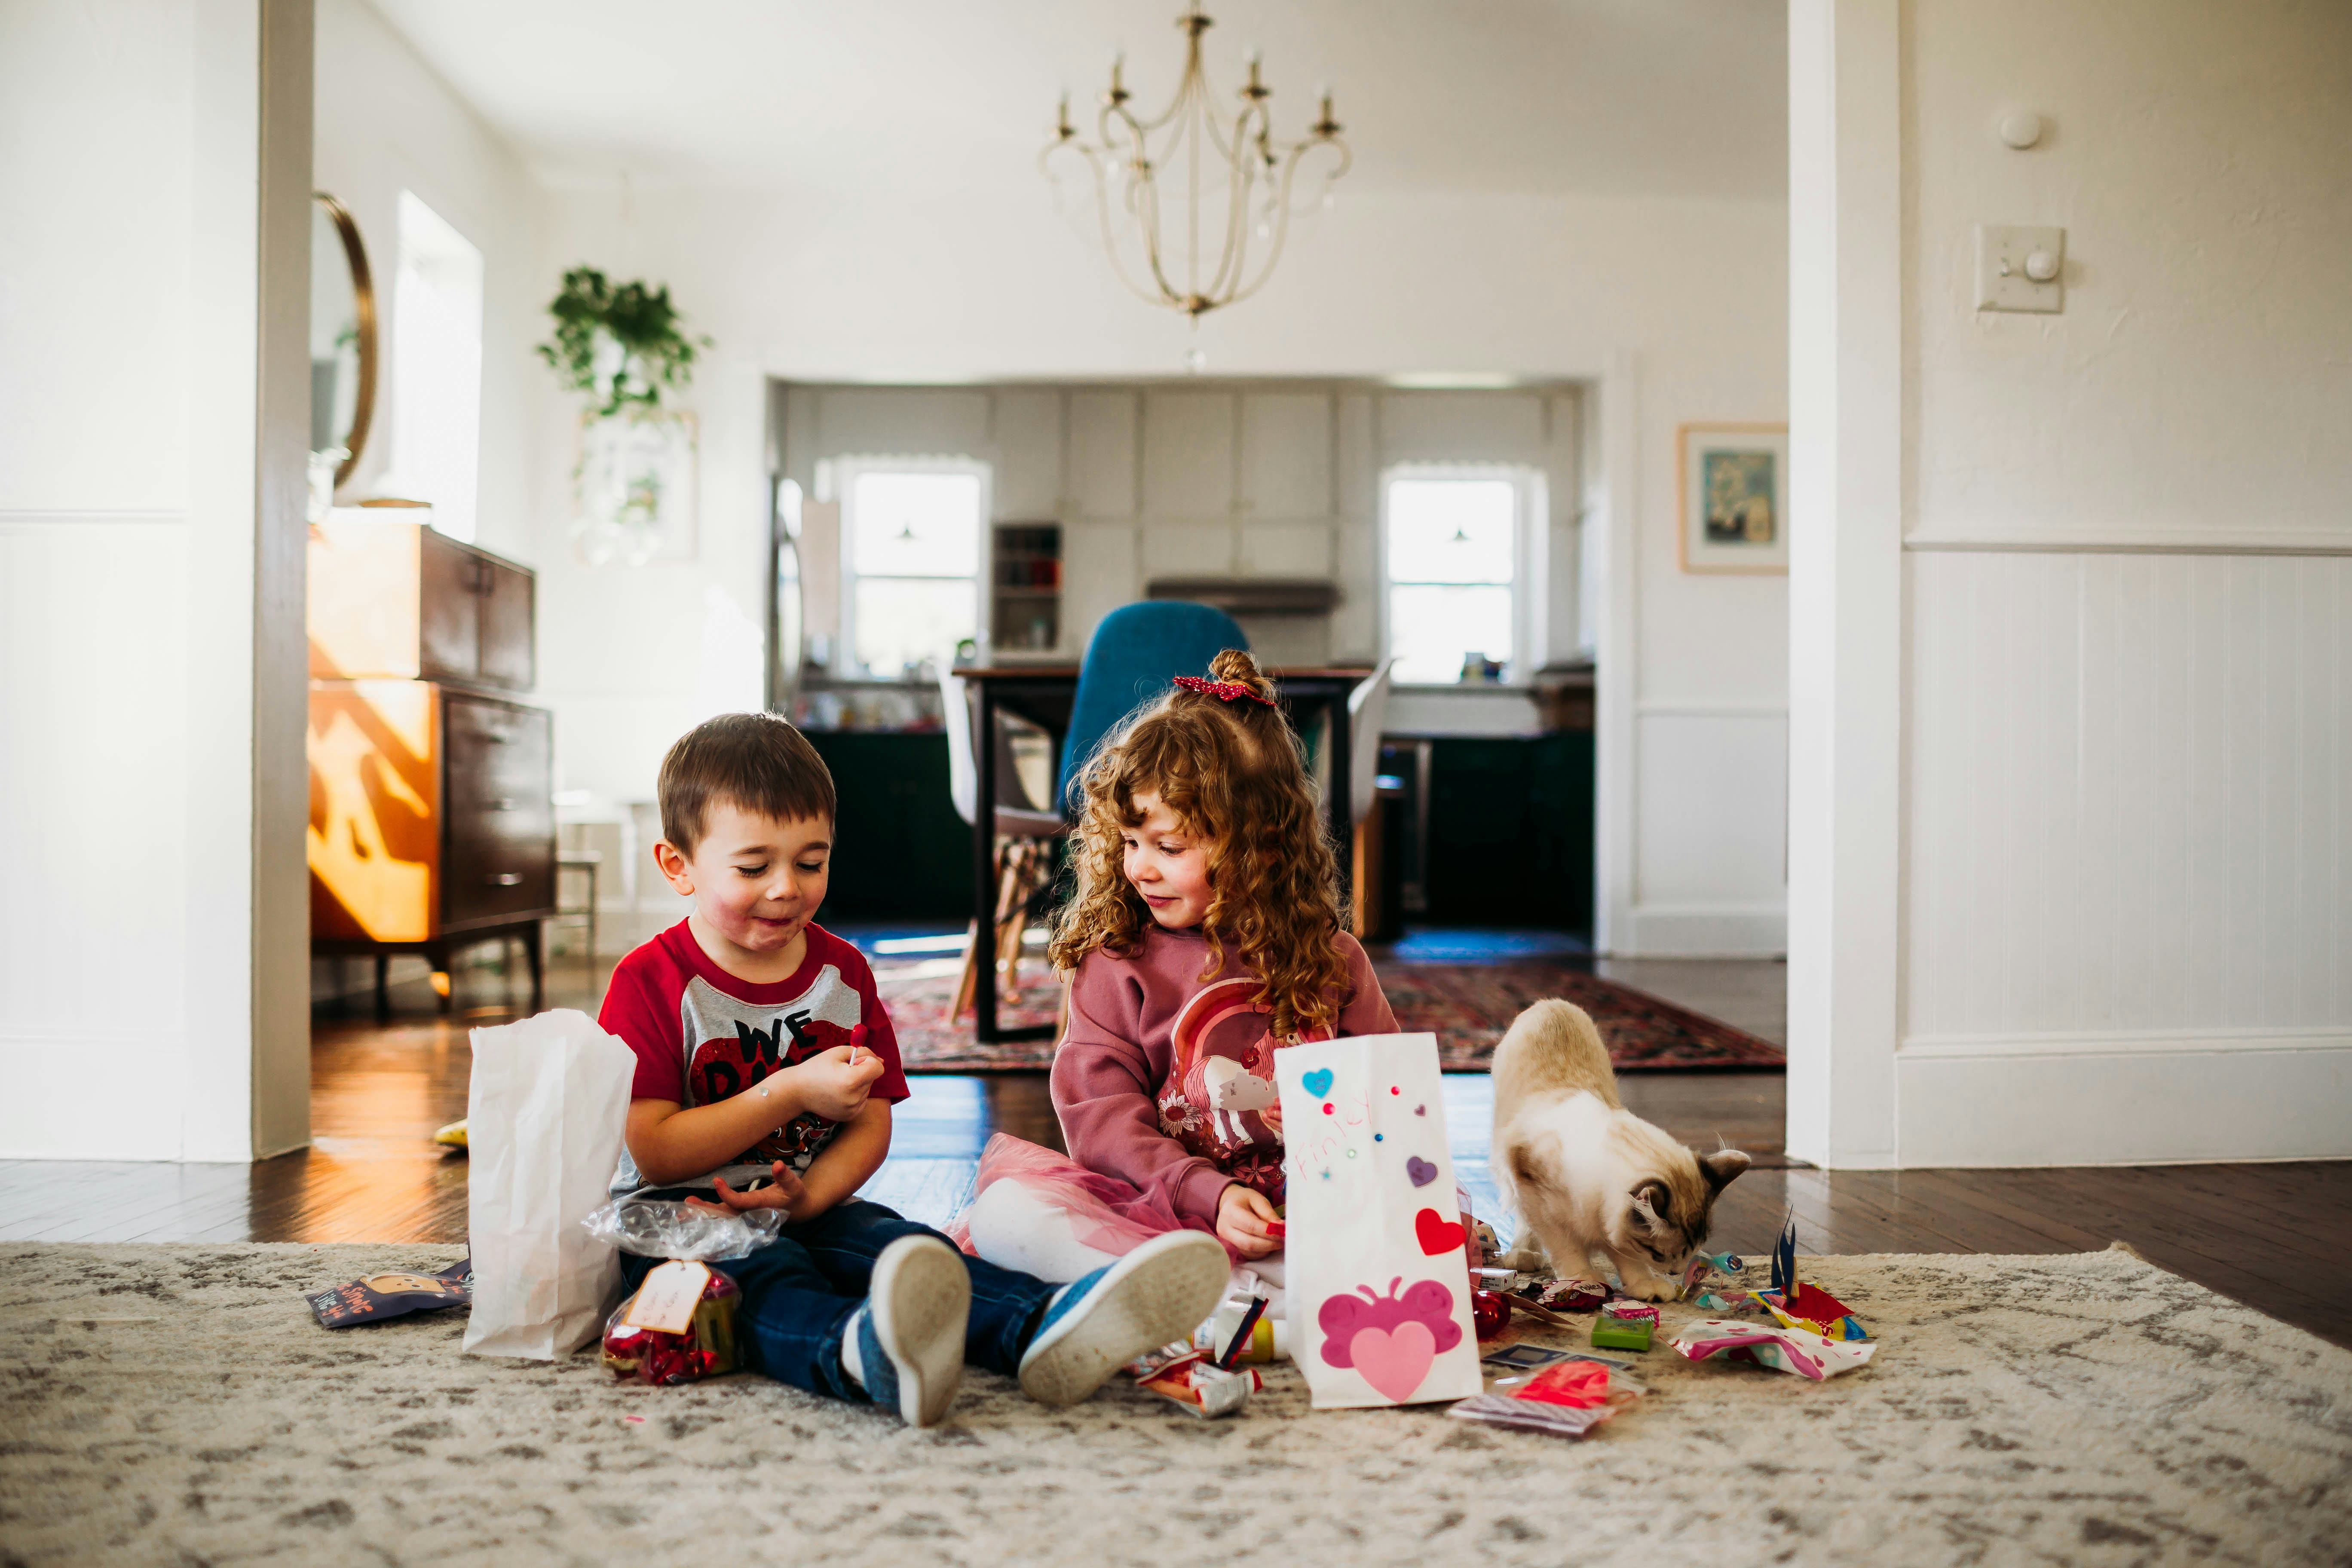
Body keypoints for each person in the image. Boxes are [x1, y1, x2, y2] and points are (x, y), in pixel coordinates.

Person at [600, 712, 1226, 1427]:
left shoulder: (841, 971)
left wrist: (808, 1201)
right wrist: (791, 1091)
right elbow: (652, 1146)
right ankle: (857, 1351)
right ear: (677, 865)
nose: (786, 888)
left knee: (908, 1251)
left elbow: (871, 1119)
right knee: (770, 1280)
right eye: (753, 868)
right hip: (682, 1222)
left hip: (808, 1202)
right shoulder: (649, 981)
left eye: (811, 862)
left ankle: (1045, 1325)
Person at [957, 650, 1398, 1309]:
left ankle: (1225, 1306)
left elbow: (1386, 1099)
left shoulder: (1333, 959)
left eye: (1170, 848)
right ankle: (1232, 1304)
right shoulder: (1117, 961)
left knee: (1418, 1229)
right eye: (1131, 842)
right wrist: (1206, 1193)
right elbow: (1101, 1121)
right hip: (1157, 1211)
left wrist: (1320, 1159)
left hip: (1300, 1222)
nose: (1141, 868)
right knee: (1009, 1214)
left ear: (1262, 847)